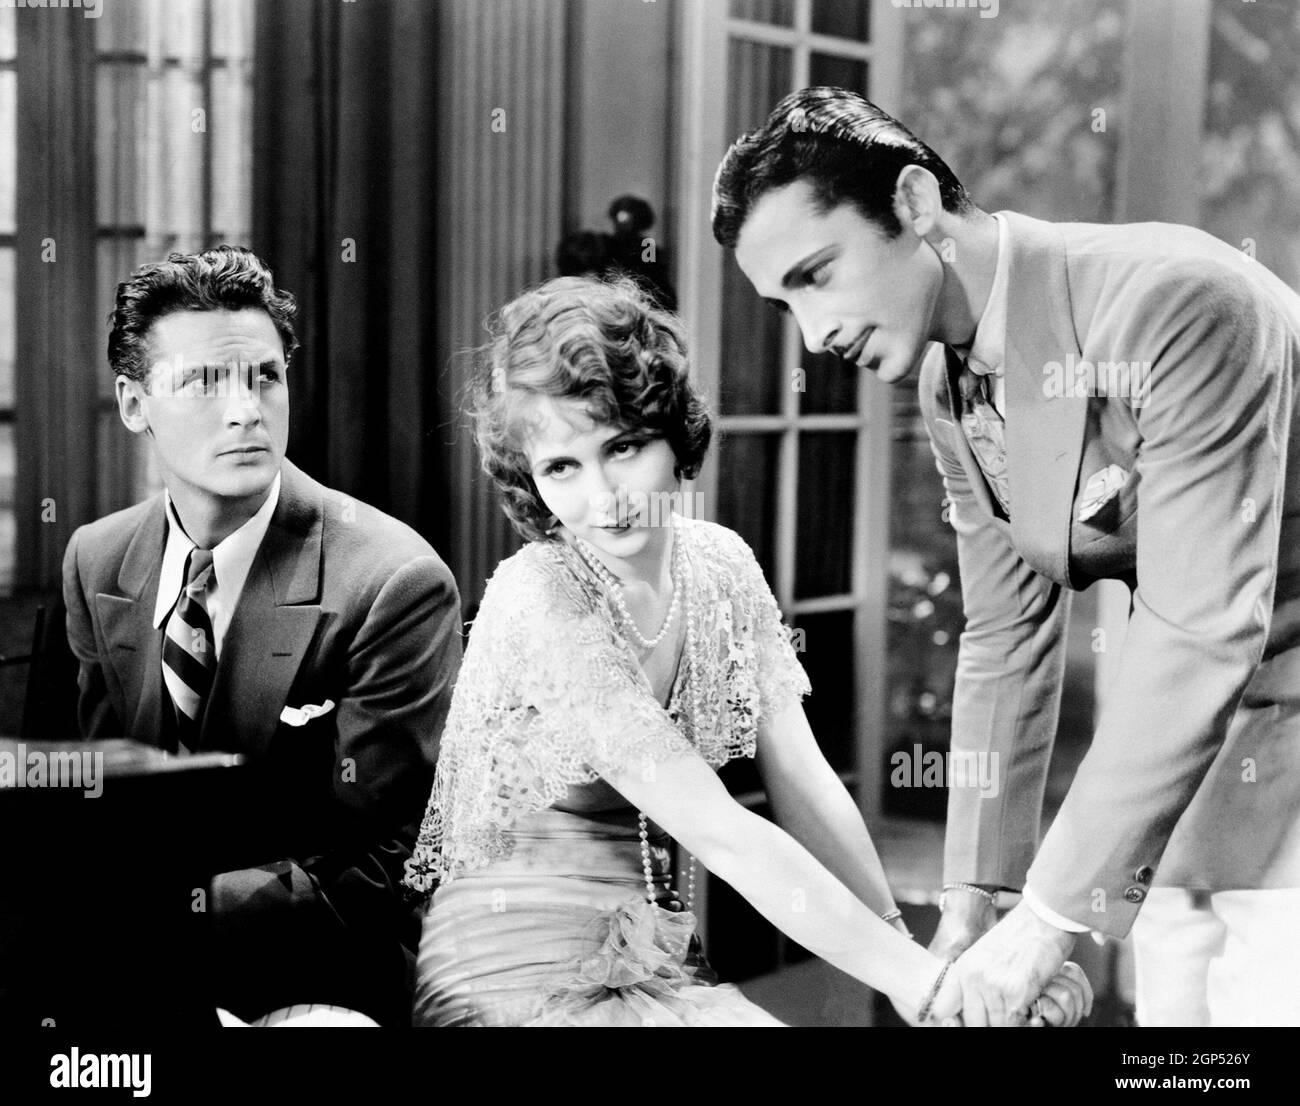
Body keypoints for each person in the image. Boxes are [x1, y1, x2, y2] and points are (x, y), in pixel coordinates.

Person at [712, 86, 1300, 1026]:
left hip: (1252, 702)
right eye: (785, 305)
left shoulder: (1178, 301)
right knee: (1179, 1037)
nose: (814, 337)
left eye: (816, 274)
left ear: (913, 203)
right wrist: (973, 907)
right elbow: (1005, 637)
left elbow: (1199, 626)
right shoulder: (949, 382)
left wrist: (1050, 918)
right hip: (1216, 740)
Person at [404, 275, 1090, 1027]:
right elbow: (718, 830)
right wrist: (931, 990)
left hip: (643, 948)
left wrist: (913, 961)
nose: (603, 496)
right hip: (508, 961)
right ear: (531, 481)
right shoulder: (540, 597)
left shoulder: (718, 563)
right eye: (561, 468)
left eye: (623, 446)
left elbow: (805, 782)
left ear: (672, 434)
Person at [63, 246, 463, 1026]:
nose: (245, 407)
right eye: (204, 381)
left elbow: (391, 864)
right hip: (129, 968)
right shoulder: (96, 556)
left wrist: (168, 917)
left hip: (318, 972)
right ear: (133, 403)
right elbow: (93, 795)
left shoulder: (392, 580)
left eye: (265, 376)